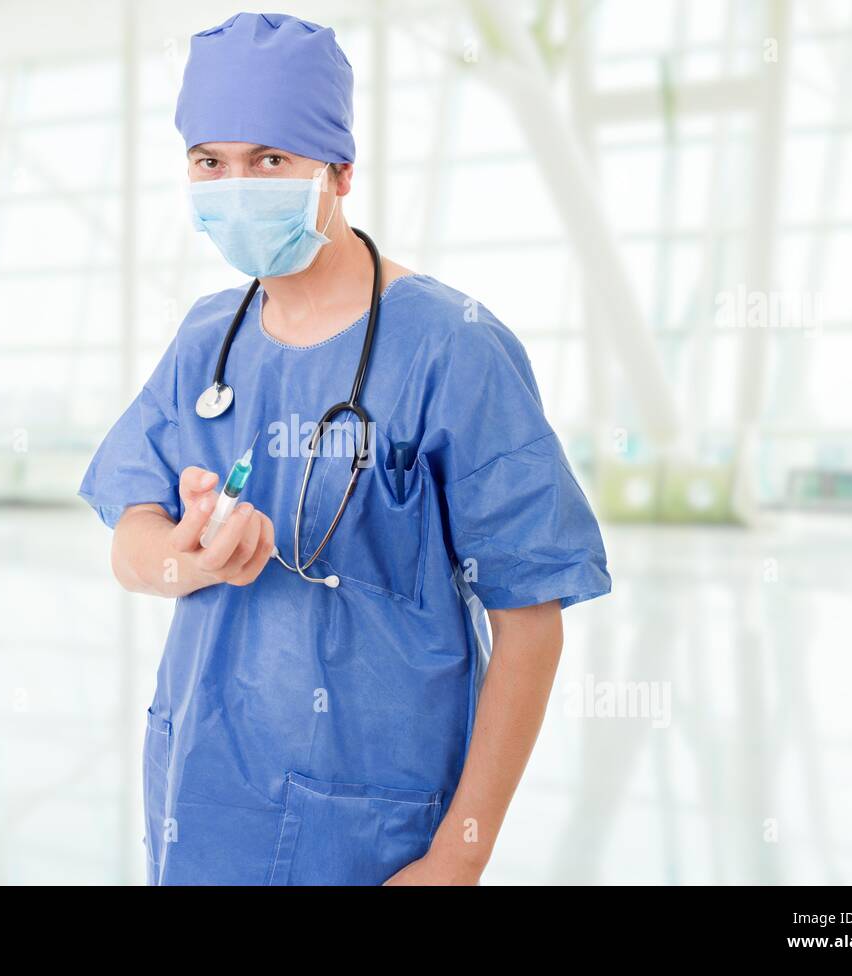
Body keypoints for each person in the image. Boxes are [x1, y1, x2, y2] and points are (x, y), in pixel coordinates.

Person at [80, 11, 611, 886]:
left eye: (271, 161)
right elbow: (132, 543)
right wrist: (187, 560)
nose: (236, 185)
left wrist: (458, 857)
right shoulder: (207, 339)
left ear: (341, 171)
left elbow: (530, 624)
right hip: (201, 804)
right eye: (210, 162)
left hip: (377, 831)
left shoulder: (453, 347)